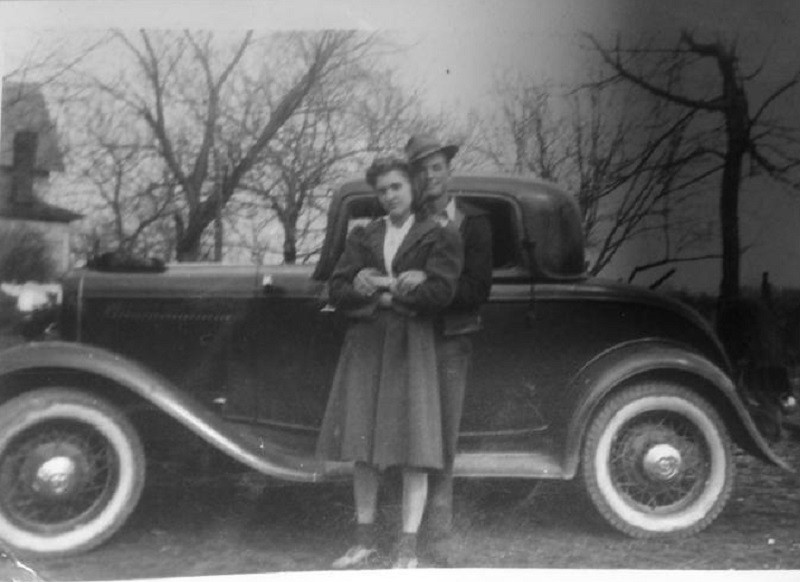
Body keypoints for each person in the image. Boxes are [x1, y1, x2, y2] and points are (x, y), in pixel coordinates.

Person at [316, 155, 463, 569]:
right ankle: (363, 541)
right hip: (367, 344)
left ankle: (407, 549)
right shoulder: (365, 234)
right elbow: (338, 287)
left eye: (396, 187)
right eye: (382, 190)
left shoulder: (439, 234)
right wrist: (385, 288)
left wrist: (378, 285)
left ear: (413, 187)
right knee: (363, 445)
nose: (389, 196)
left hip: (411, 347)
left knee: (413, 447)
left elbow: (441, 294)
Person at [404, 134, 493, 559]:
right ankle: (402, 530)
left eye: (436, 167)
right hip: (407, 338)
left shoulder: (474, 222)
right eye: (420, 170)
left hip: (449, 339)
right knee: (404, 432)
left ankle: (438, 533)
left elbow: (476, 289)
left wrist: (431, 286)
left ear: (448, 170)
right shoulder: (407, 220)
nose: (429, 176)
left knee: (441, 437)